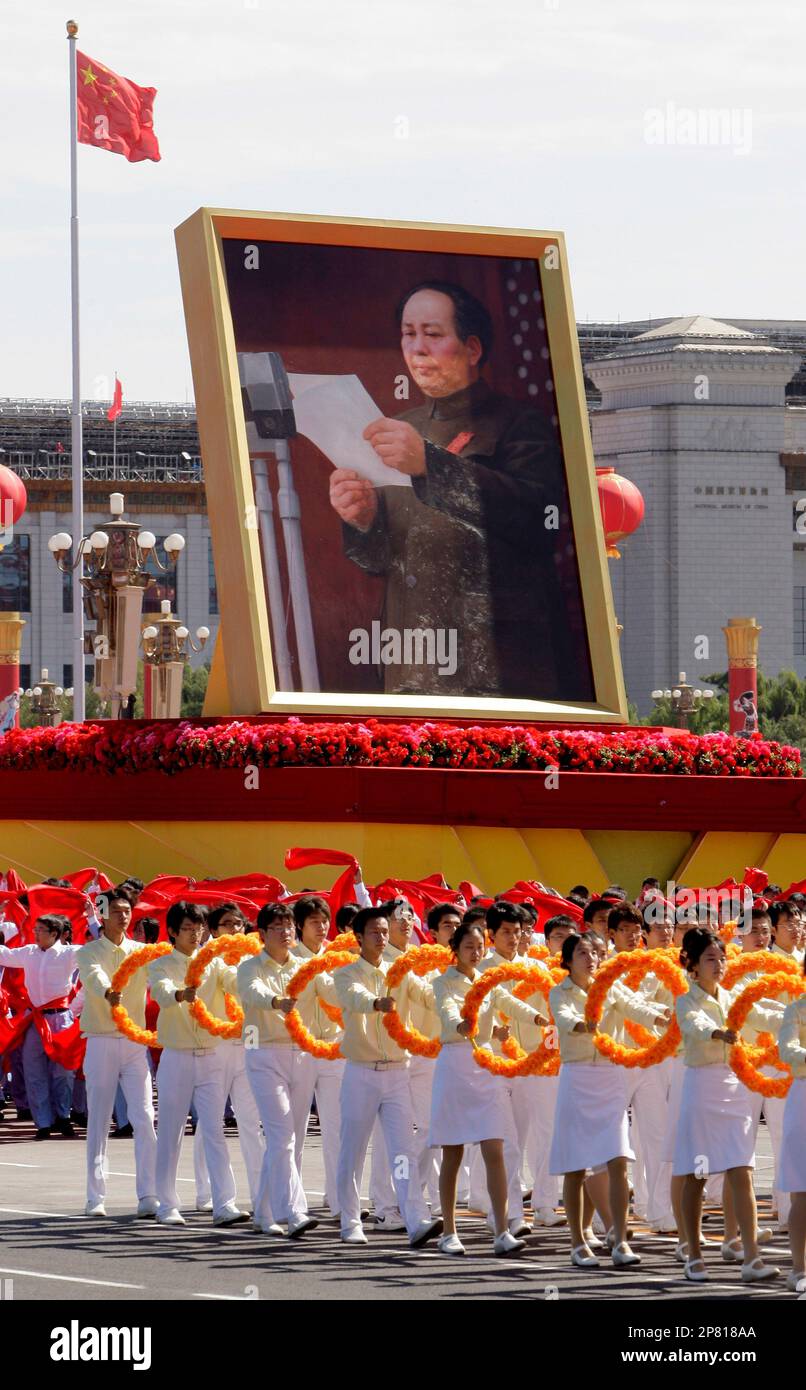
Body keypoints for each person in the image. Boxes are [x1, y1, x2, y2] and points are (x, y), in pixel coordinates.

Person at [329, 279, 586, 699]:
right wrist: (361, 519)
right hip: (410, 660)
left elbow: (538, 521)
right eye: (408, 335)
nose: (417, 348)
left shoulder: (518, 423)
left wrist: (431, 465)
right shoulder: (398, 428)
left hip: (496, 665)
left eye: (432, 334)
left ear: (472, 349)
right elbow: (380, 562)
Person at [549, 932, 669, 1269]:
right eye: (582, 953)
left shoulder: (610, 985)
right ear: (568, 960)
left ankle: (620, 1239)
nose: (590, 959)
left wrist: (660, 1018)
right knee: (576, 1167)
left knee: (618, 1160)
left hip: (610, 1077)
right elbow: (565, 1019)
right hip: (578, 1078)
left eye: (593, 953)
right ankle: (578, 1241)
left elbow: (634, 1006)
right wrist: (583, 1024)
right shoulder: (560, 991)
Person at [429, 920, 547, 1256]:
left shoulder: (489, 980)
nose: (476, 952)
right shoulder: (443, 982)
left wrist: (536, 1018)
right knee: (453, 1151)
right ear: (455, 950)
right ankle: (449, 1231)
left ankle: (501, 1229)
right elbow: (448, 1010)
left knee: (495, 1148)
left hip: (485, 1064)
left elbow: (509, 1004)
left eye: (480, 946)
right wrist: (461, 1025)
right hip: (455, 1064)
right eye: (468, 947)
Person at [673, 927, 781, 1283]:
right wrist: (718, 1032)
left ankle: (751, 1256)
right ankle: (693, 1252)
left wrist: (797, 1013)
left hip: (732, 1088)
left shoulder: (732, 995)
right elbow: (695, 1023)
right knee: (699, 1176)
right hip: (702, 1091)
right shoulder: (686, 999)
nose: (718, 965)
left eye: (721, 958)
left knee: (742, 1171)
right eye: (710, 959)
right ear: (692, 965)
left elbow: (764, 1014)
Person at [333, 907, 442, 1248]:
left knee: (403, 1151)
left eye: (385, 931)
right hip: (361, 1072)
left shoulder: (402, 973)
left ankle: (414, 1218)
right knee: (353, 1149)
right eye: (375, 933)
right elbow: (355, 998)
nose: (382, 938)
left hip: (398, 1071)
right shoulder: (347, 974)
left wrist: (457, 995)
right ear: (359, 938)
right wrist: (378, 1003)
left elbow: (427, 994)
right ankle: (351, 1220)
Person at [147, 902, 248, 1228]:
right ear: (173, 932)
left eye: (199, 928)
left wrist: (253, 968)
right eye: (188, 928)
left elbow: (235, 982)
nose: (195, 934)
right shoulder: (162, 964)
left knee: (214, 1130)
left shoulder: (215, 963)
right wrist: (180, 994)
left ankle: (224, 1203)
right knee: (171, 1132)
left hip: (210, 1056)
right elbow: (161, 993)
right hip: (176, 1057)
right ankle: (167, 1204)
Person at [236, 902, 318, 1238]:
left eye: (289, 927)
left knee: (288, 1139)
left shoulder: (306, 965)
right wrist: (275, 1001)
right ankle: (295, 1212)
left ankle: (264, 1210)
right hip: (263, 1053)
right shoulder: (249, 966)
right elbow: (252, 993)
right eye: (278, 928)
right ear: (262, 933)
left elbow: (329, 989)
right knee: (281, 1134)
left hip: (301, 1054)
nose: (286, 933)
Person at [75, 888, 157, 1218]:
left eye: (127, 910)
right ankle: (96, 1196)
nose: (124, 916)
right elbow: (94, 980)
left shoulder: (141, 952)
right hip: (102, 1040)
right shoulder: (90, 951)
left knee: (145, 1118)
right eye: (117, 911)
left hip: (135, 1042)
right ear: (102, 914)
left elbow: (160, 980)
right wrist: (110, 992)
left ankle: (148, 1194)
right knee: (98, 1120)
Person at [192, 903, 266, 1221]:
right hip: (216, 1043)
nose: (235, 929)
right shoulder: (204, 959)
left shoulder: (253, 956)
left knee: (251, 1120)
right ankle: (207, 1193)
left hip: (248, 1041)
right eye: (227, 924)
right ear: (213, 929)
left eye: (239, 923)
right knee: (211, 1122)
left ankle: (262, 1193)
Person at [0, 914, 80, 1140]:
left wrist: (94, 920)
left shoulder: (70, 953)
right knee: (34, 1073)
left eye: (40, 930)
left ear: (54, 934)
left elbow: (98, 953)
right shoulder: (28, 952)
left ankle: (63, 1117)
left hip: (61, 1019)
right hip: (35, 1020)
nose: (35, 933)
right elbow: (4, 954)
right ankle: (43, 1123)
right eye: (34, 929)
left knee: (63, 1072)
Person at [291, 895, 345, 1221]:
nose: (322, 927)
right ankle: (292, 1201)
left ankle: (339, 1199)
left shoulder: (338, 960)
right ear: (299, 925)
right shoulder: (289, 960)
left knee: (337, 1127)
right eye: (314, 922)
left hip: (334, 1049)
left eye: (324, 921)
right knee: (295, 1128)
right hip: (300, 1050)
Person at [777, 960, 806, 1292]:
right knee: (804, 1190)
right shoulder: (796, 1010)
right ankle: (799, 1268)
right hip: (804, 1095)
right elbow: (788, 1048)